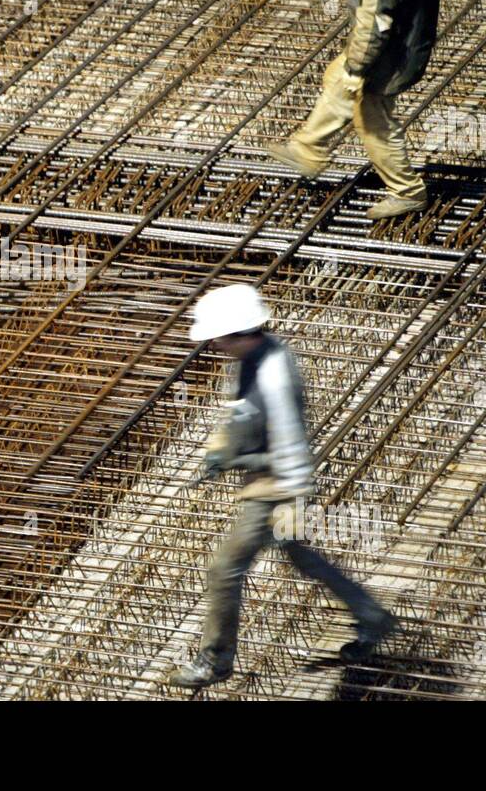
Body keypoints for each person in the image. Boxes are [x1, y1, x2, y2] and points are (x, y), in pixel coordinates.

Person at [168, 283, 397, 688]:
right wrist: (222, 446)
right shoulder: (252, 356)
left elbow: (292, 452)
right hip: (267, 483)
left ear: (241, 333)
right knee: (301, 556)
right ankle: (373, 617)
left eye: (219, 337)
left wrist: (242, 464)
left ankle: (215, 661)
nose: (215, 345)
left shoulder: (276, 376)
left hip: (278, 489)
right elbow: (240, 410)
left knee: (224, 570)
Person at [266, 0, 444, 222]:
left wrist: (359, 66)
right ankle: (308, 149)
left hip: (394, 51)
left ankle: (408, 192)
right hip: (409, 39)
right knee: (337, 76)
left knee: (370, 116)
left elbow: (375, 17)